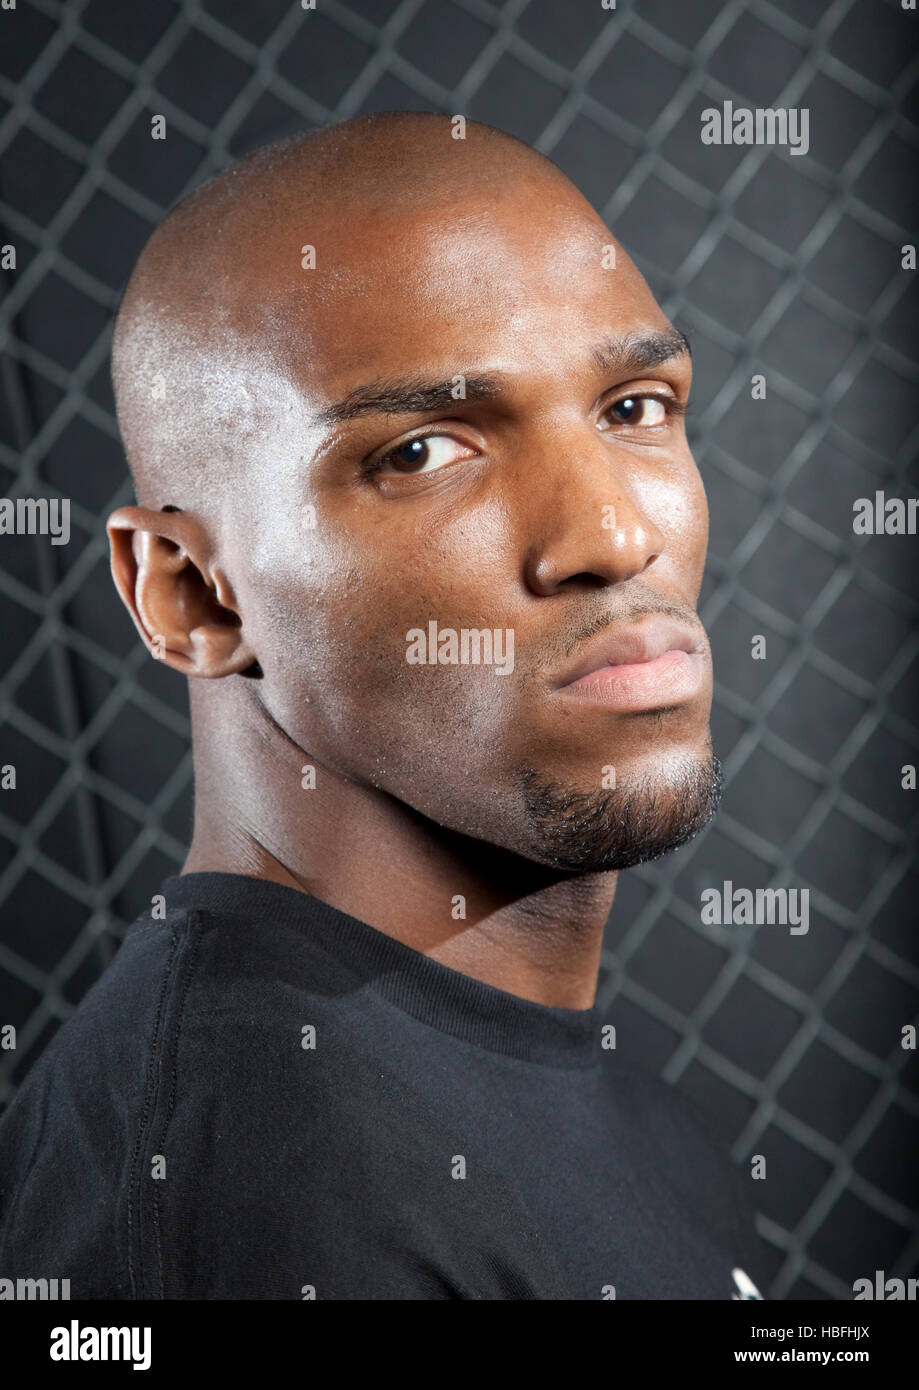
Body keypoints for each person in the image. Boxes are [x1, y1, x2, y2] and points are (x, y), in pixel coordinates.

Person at [0, 111, 765, 1300]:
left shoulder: (511, 1060)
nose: (614, 536)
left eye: (633, 408)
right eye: (421, 451)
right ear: (194, 597)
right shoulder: (255, 1197)